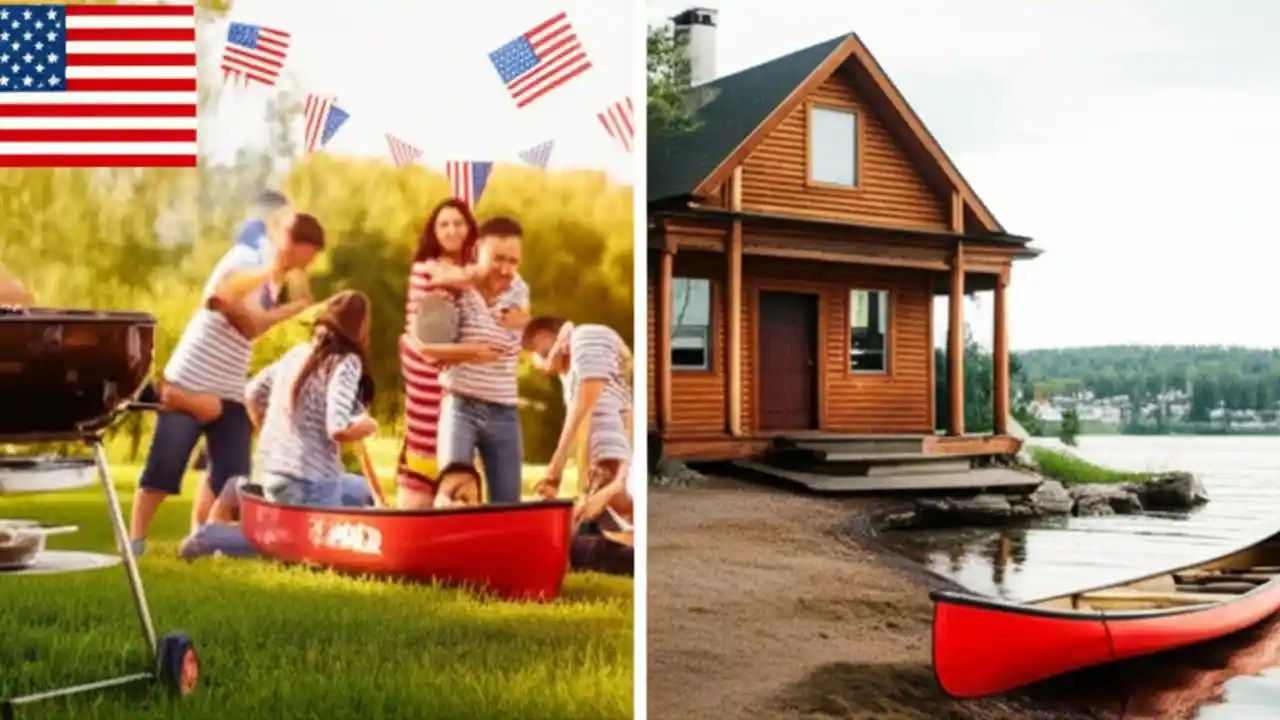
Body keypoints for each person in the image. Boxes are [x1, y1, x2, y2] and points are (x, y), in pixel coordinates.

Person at [128, 194, 320, 557]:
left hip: (230, 385)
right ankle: (135, 541)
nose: (306, 265)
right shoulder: (249, 257)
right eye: (306, 256)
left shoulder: (271, 281)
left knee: (231, 474)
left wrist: (291, 305)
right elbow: (221, 300)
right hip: (193, 376)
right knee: (166, 465)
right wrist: (278, 291)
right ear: (291, 244)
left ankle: (200, 539)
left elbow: (253, 325)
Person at [408, 217, 530, 504]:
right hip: (460, 405)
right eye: (498, 258)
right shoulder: (454, 288)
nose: (506, 269)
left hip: (504, 411)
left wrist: (526, 320)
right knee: (451, 498)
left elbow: (511, 341)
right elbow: (426, 345)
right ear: (477, 250)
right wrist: (473, 351)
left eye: (514, 261)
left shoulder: (519, 290)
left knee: (507, 504)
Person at [522, 316, 634, 576]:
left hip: (610, 452)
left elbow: (583, 409)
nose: (541, 360)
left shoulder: (586, 336)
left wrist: (555, 469)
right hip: (608, 455)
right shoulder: (570, 373)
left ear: (556, 334)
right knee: (616, 512)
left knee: (606, 511)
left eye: (541, 351)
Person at [396, 199, 478, 509]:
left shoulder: (478, 271)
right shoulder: (423, 270)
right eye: (443, 224)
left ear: (470, 228)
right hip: (426, 374)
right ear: (433, 231)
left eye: (458, 223)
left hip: (463, 378)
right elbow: (427, 332)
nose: (451, 230)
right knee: (424, 432)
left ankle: (455, 488)